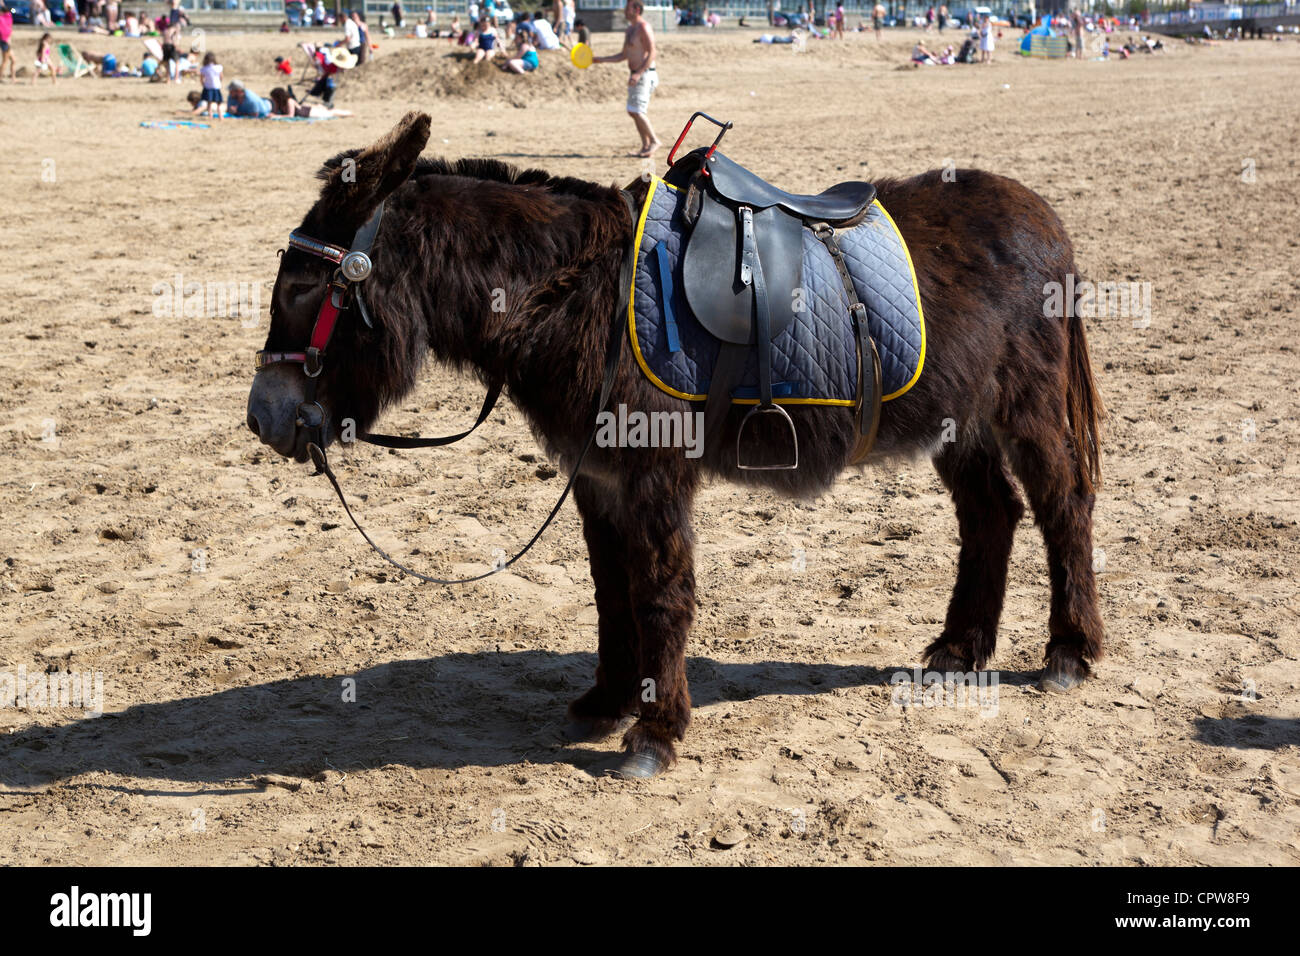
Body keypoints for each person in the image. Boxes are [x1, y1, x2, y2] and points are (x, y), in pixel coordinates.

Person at [593, 0, 658, 158]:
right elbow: (623, 55)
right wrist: (601, 59)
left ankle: (655, 141)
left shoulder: (643, 27)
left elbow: (652, 52)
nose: (624, 10)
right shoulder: (629, 29)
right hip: (635, 74)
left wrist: (639, 73)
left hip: (644, 73)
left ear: (636, 9)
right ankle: (645, 146)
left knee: (637, 110)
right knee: (633, 111)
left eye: (627, 7)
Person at [269, 86, 354, 117]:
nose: (272, 99)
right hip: (307, 111)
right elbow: (275, 112)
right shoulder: (278, 103)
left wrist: (276, 116)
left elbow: (290, 115)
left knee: (331, 112)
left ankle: (349, 113)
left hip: (309, 112)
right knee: (330, 111)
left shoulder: (289, 101)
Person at [0, 3, 14, 83]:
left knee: (13, 60)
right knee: (5, 60)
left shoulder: (5, 17)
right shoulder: (7, 17)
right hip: (5, 41)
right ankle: (0, 77)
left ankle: (13, 78)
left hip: (6, 40)